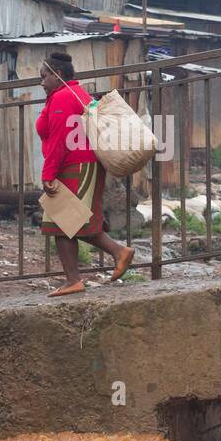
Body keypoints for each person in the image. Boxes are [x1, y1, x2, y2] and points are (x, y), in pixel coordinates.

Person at [37, 51, 135, 297]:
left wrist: (48, 173)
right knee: (69, 222)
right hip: (82, 164)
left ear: (57, 75)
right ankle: (116, 254)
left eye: (43, 76)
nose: (41, 82)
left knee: (62, 223)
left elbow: (59, 139)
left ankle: (77, 279)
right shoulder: (74, 94)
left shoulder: (62, 98)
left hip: (75, 165)